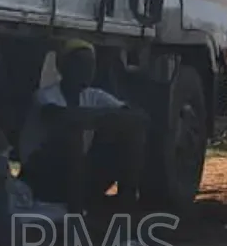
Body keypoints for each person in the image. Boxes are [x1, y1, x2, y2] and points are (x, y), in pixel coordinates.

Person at [19, 41, 148, 213]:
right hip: (41, 174)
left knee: (133, 132)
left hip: (76, 172)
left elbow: (139, 117)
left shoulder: (94, 95)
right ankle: (75, 211)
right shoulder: (45, 95)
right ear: (64, 68)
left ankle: (125, 206)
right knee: (71, 135)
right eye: (80, 64)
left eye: (91, 65)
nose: (87, 70)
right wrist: (107, 117)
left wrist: (106, 118)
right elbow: (60, 117)